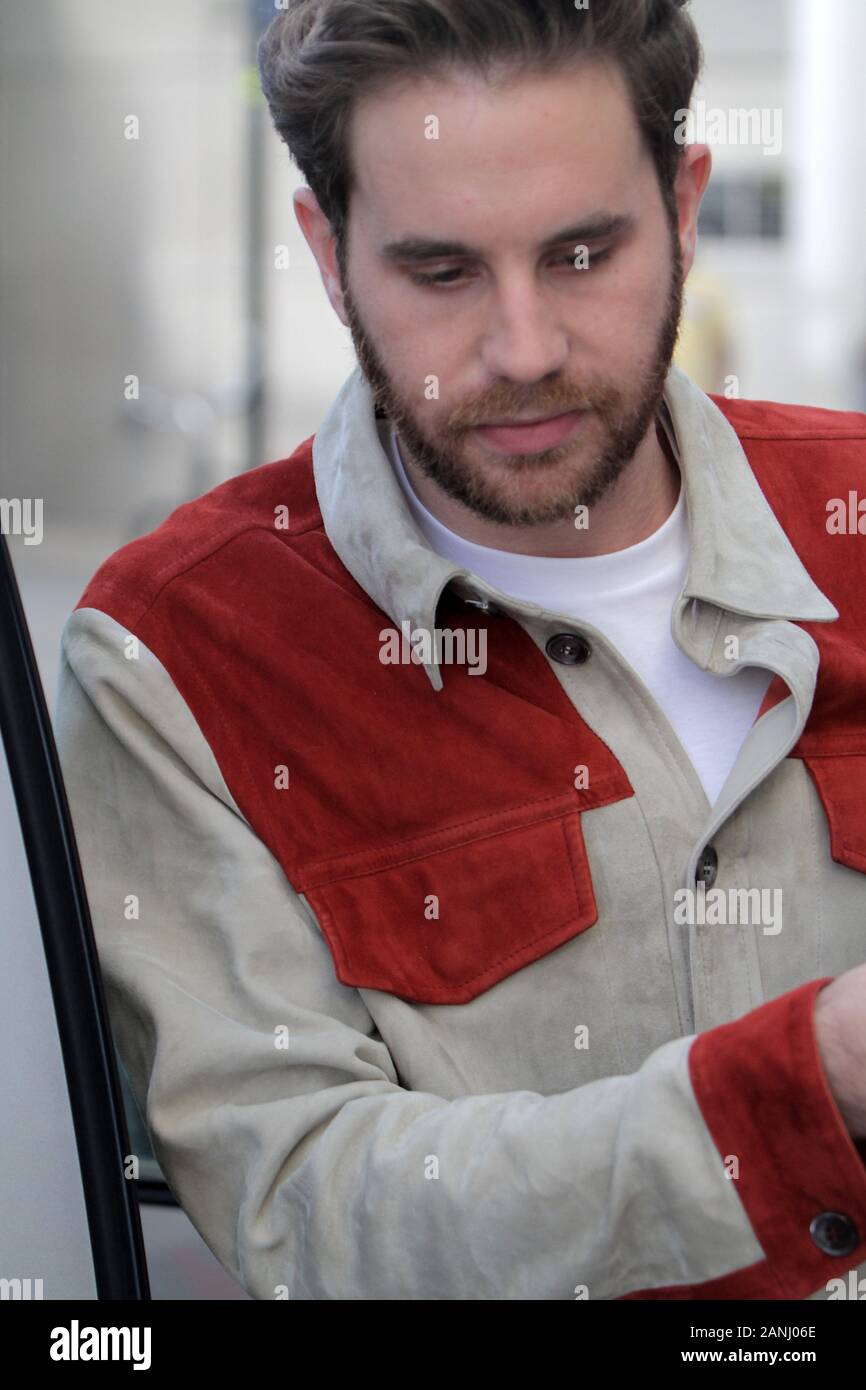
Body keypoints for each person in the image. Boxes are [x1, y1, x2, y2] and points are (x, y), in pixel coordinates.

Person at [55, 0, 866, 1301]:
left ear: (685, 205)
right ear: (327, 254)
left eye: (582, 253)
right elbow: (309, 1207)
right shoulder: (178, 657)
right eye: (439, 273)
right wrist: (803, 1076)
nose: (523, 349)